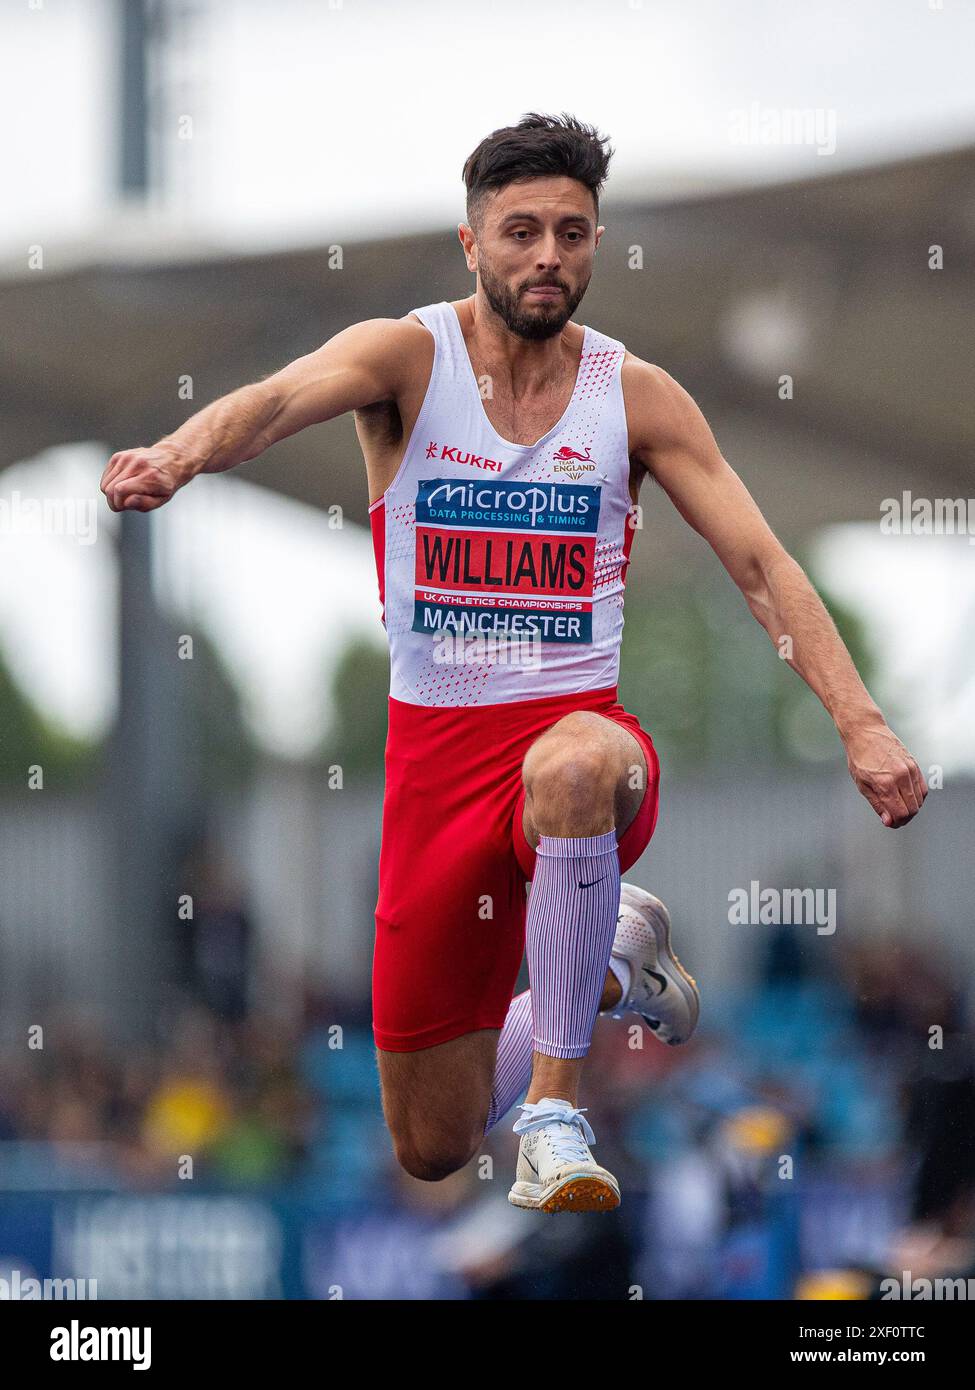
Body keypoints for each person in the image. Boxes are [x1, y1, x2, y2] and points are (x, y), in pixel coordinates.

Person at [100, 113, 927, 1213]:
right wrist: (179, 453)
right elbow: (277, 400)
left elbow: (765, 566)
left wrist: (860, 720)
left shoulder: (635, 398)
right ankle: (617, 957)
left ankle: (556, 1114)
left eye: (573, 233)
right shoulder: (408, 359)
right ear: (472, 243)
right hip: (434, 776)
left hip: (580, 743)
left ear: (595, 245)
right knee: (431, 1144)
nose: (549, 256)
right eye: (523, 231)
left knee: (575, 767)